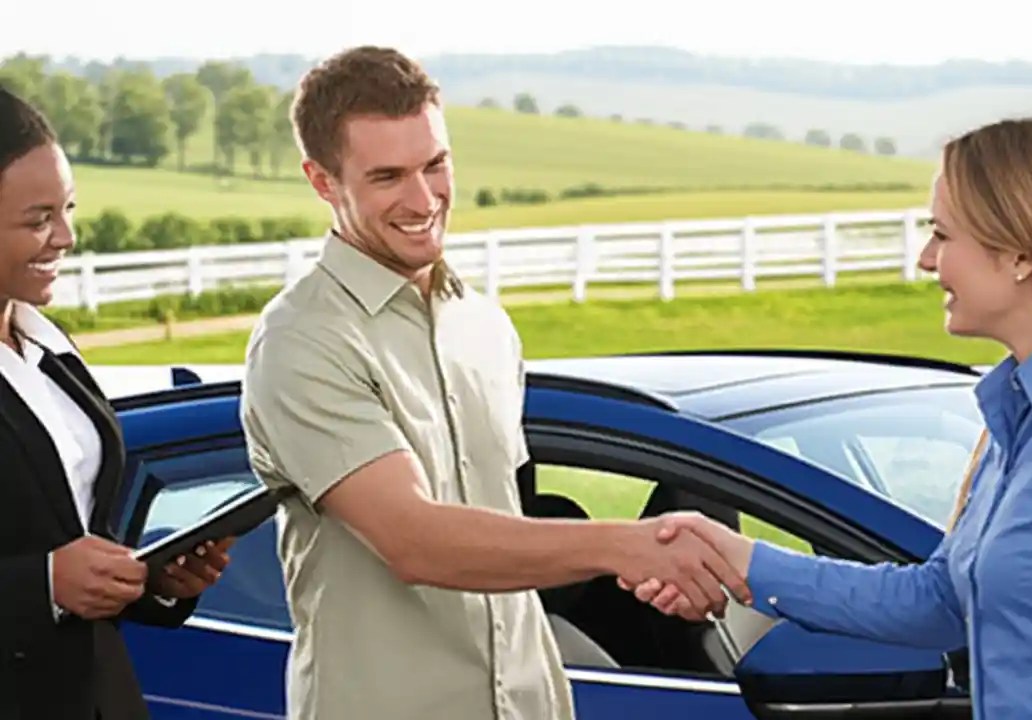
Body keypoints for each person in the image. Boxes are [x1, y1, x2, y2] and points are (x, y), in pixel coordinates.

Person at [626, 117, 1032, 718]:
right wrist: (742, 560)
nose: (925, 260)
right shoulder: (1022, 418)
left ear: (1021, 251)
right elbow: (940, 601)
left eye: (942, 235)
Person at [239, 46, 748, 720]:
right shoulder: (302, 342)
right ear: (322, 180)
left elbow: (503, 530)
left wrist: (647, 572)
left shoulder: (484, 327)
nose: (423, 199)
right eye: (388, 176)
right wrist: (623, 544)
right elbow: (415, 541)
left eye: (436, 164)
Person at [0, 87, 233, 720]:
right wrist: (44, 585)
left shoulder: (45, 347)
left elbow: (72, 530)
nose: (66, 237)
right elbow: (47, 569)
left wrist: (149, 579)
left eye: (68, 209)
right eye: (38, 219)